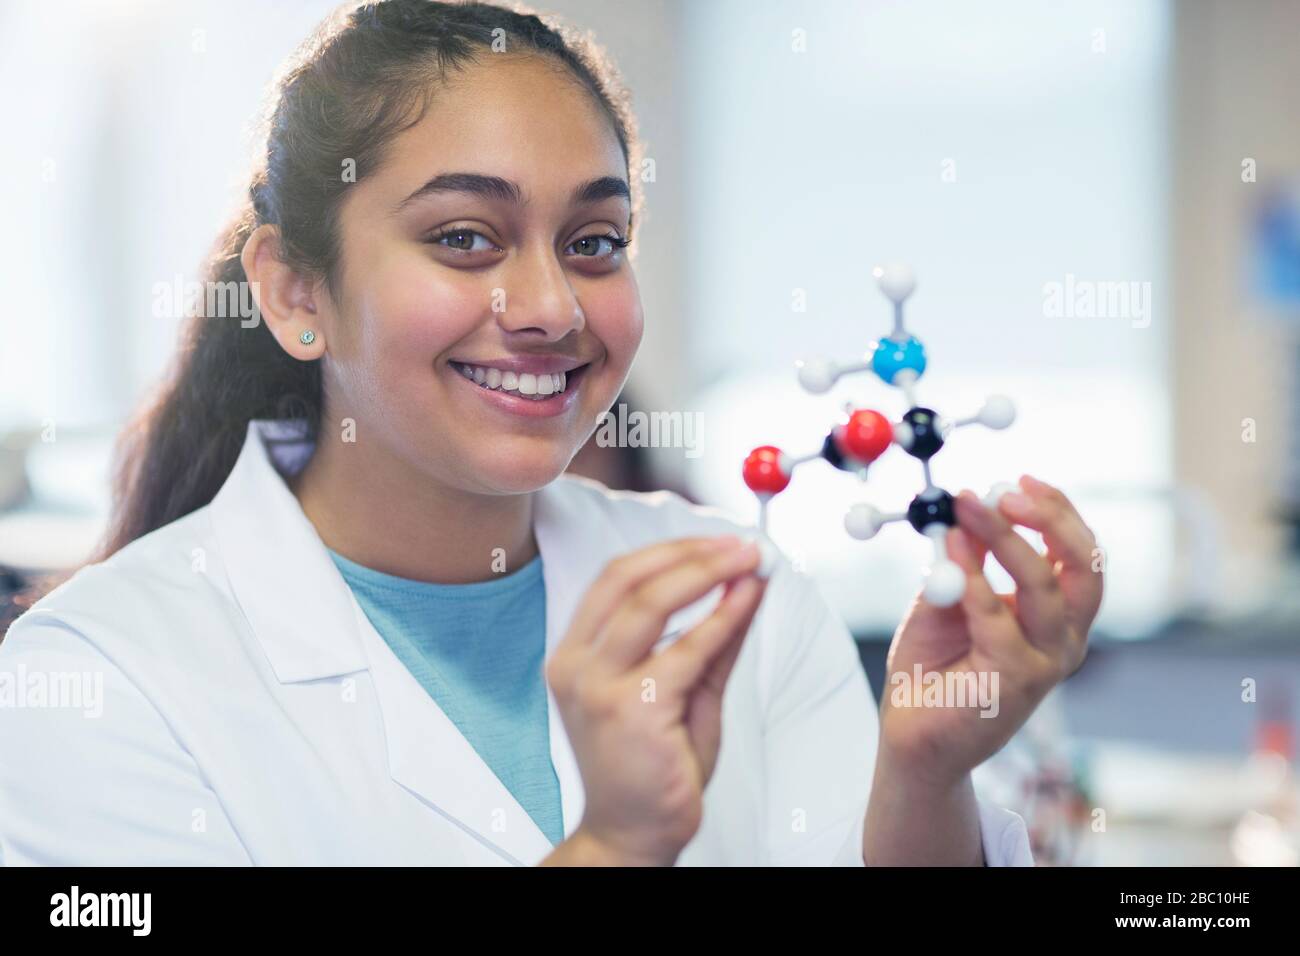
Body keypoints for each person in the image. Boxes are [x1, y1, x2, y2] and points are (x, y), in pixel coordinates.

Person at [0, 0, 1101, 866]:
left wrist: (921, 777)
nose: (551, 308)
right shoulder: (102, 678)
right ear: (294, 292)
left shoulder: (734, 592)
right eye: (467, 236)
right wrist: (615, 847)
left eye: (593, 240)